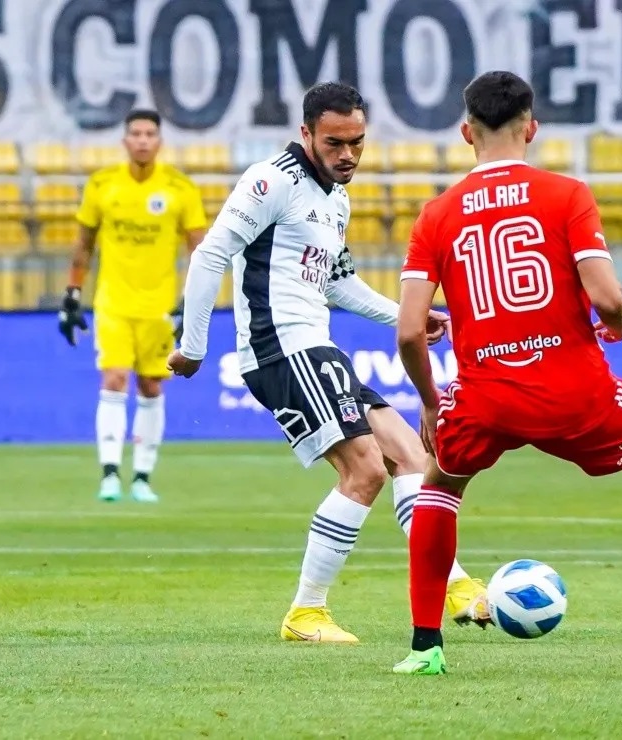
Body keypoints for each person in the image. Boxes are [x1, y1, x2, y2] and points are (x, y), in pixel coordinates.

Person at [391, 71, 622, 675]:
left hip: (485, 395)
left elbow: (410, 331)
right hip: (575, 391)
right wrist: (616, 322)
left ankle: (425, 647)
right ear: (531, 128)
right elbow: (608, 300)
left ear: (467, 132)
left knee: (439, 487)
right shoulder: (568, 195)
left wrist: (432, 401)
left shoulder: (435, 215)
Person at [167, 82, 490, 643]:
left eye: (358, 143)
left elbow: (338, 283)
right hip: (281, 349)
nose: (348, 155)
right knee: (364, 470)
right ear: (306, 134)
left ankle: (453, 584)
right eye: (335, 143)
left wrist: (408, 315)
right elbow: (210, 253)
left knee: (413, 455)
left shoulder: (335, 198)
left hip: (318, 346)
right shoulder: (272, 181)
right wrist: (193, 346)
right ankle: (307, 612)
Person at [58, 109, 209, 503]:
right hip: (113, 302)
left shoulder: (180, 188)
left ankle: (142, 477)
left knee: (151, 384)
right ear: (125, 141)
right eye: (136, 134)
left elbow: (202, 251)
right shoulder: (103, 185)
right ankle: (110, 474)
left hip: (159, 307)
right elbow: (84, 244)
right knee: (113, 379)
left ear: (159, 141)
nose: (142, 140)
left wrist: (189, 303)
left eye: (149, 134)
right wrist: (72, 294)